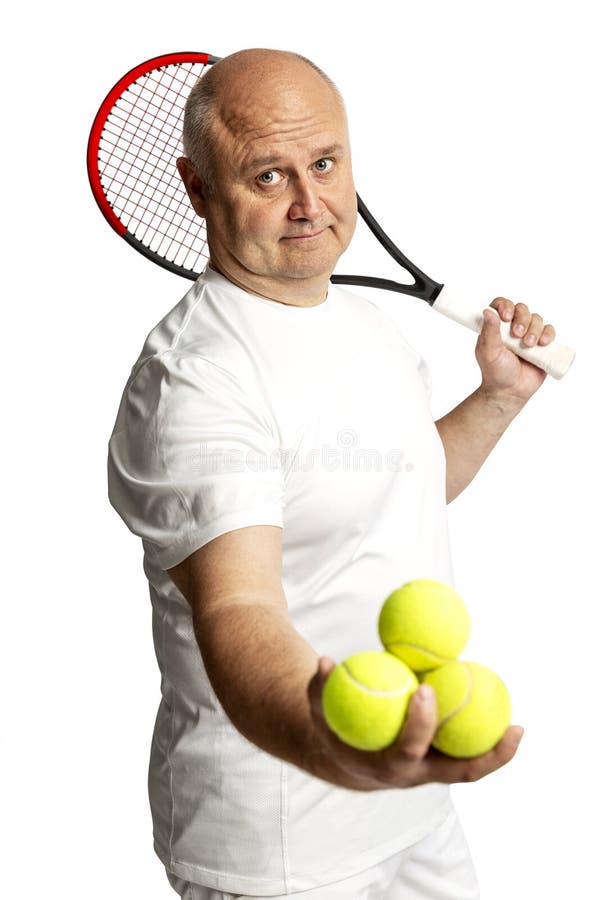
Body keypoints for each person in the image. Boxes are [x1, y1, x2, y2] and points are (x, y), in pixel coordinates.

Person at [107, 48, 555, 899]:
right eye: (268, 176)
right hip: (284, 840)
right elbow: (237, 605)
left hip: (407, 794)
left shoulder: (364, 324)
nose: (310, 204)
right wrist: (331, 751)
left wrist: (497, 399)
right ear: (198, 189)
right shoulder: (197, 378)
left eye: (324, 163)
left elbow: (399, 488)